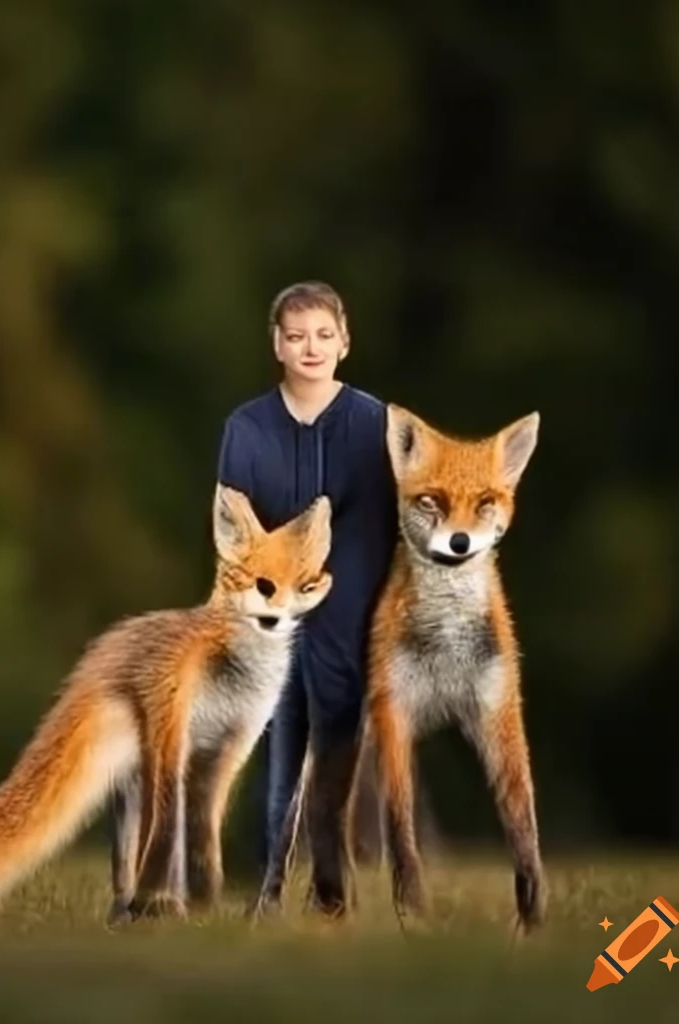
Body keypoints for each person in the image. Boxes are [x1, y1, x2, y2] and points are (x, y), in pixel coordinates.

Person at [215, 281, 397, 916]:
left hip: (352, 614)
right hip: (274, 616)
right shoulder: (246, 428)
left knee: (342, 752)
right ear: (277, 345)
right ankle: (266, 887)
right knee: (278, 751)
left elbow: (394, 523)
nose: (310, 348)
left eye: (323, 335)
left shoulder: (377, 425)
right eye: (297, 337)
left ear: (345, 342)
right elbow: (234, 528)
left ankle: (332, 890)